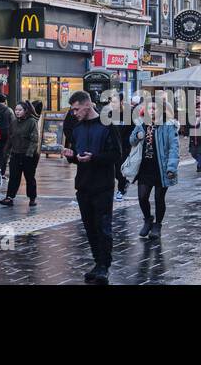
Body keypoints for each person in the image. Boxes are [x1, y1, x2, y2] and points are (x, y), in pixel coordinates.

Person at [62, 90, 121, 284]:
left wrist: (94, 157)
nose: (75, 113)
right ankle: (97, 262)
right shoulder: (77, 129)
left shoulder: (107, 126)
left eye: (77, 109)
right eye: (73, 110)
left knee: (103, 227)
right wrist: (71, 156)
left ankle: (105, 265)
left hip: (103, 185)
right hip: (83, 185)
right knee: (89, 228)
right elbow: (79, 157)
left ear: (87, 105)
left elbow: (116, 155)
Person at [128, 96, 178, 238]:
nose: (151, 111)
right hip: (145, 167)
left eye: (154, 108)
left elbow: (174, 148)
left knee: (158, 198)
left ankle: (158, 225)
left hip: (161, 168)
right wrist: (137, 136)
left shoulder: (169, 126)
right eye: (149, 108)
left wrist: (171, 168)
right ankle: (148, 219)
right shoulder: (141, 124)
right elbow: (131, 141)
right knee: (142, 197)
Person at [2, 101, 41, 207]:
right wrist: (6, 151)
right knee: (14, 176)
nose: (17, 112)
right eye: (16, 110)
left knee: (29, 177)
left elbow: (34, 140)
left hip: (29, 155)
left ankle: (32, 198)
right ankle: (9, 197)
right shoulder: (14, 122)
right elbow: (10, 138)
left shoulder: (32, 122)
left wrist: (29, 154)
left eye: (20, 110)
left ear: (25, 111)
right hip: (15, 154)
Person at [107, 91, 134, 200]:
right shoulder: (110, 114)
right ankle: (124, 183)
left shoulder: (129, 113)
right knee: (112, 169)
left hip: (124, 146)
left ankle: (121, 189)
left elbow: (132, 129)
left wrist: (128, 143)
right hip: (112, 146)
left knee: (120, 169)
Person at [186, 96, 201, 173]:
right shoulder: (192, 118)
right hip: (193, 139)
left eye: (199, 109)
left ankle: (199, 165)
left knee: (200, 152)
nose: (198, 110)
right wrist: (186, 134)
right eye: (196, 109)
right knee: (193, 153)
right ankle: (200, 160)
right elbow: (188, 126)